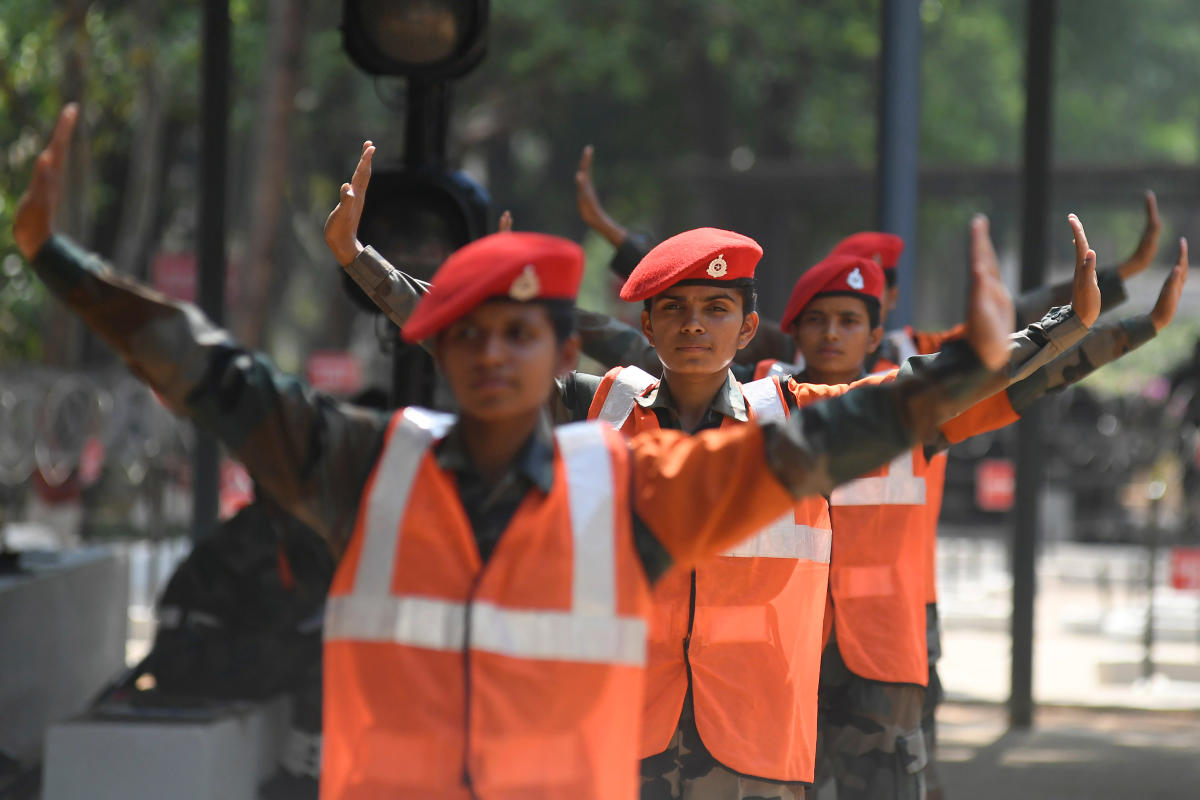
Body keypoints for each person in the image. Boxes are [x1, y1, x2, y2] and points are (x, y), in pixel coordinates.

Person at [15, 104, 1020, 800]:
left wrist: (972, 363)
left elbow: (826, 438)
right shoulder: (368, 465)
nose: (495, 353)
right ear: (436, 343)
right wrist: (62, 265)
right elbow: (218, 376)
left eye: (522, 334)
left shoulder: (628, 489)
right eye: (474, 332)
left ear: (561, 357)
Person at [327, 141, 1111, 800]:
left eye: (715, 308)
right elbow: (468, 335)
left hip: (755, 741)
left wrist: (1065, 324)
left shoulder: (794, 416)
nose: (694, 324)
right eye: (674, 308)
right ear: (647, 325)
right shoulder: (601, 407)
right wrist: (359, 261)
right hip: (620, 729)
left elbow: (925, 385)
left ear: (747, 327)